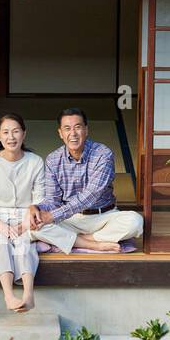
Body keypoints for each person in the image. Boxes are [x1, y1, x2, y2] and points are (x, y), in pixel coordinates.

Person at [29, 107, 143, 253]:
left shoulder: (103, 154)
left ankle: (77, 240)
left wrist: (52, 216)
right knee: (33, 228)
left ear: (86, 130)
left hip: (104, 217)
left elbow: (91, 194)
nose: (73, 134)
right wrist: (37, 208)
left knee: (135, 222)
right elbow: (53, 201)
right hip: (71, 219)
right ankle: (93, 244)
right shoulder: (53, 159)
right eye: (67, 128)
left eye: (78, 127)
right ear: (60, 133)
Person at [0, 113, 44, 312]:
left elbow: (39, 198)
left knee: (25, 242)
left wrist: (25, 224)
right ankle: (9, 296)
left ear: (24, 134)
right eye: (6, 132)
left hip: (27, 215)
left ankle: (28, 295)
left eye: (16, 131)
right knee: (1, 242)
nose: (11, 137)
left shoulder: (35, 161)